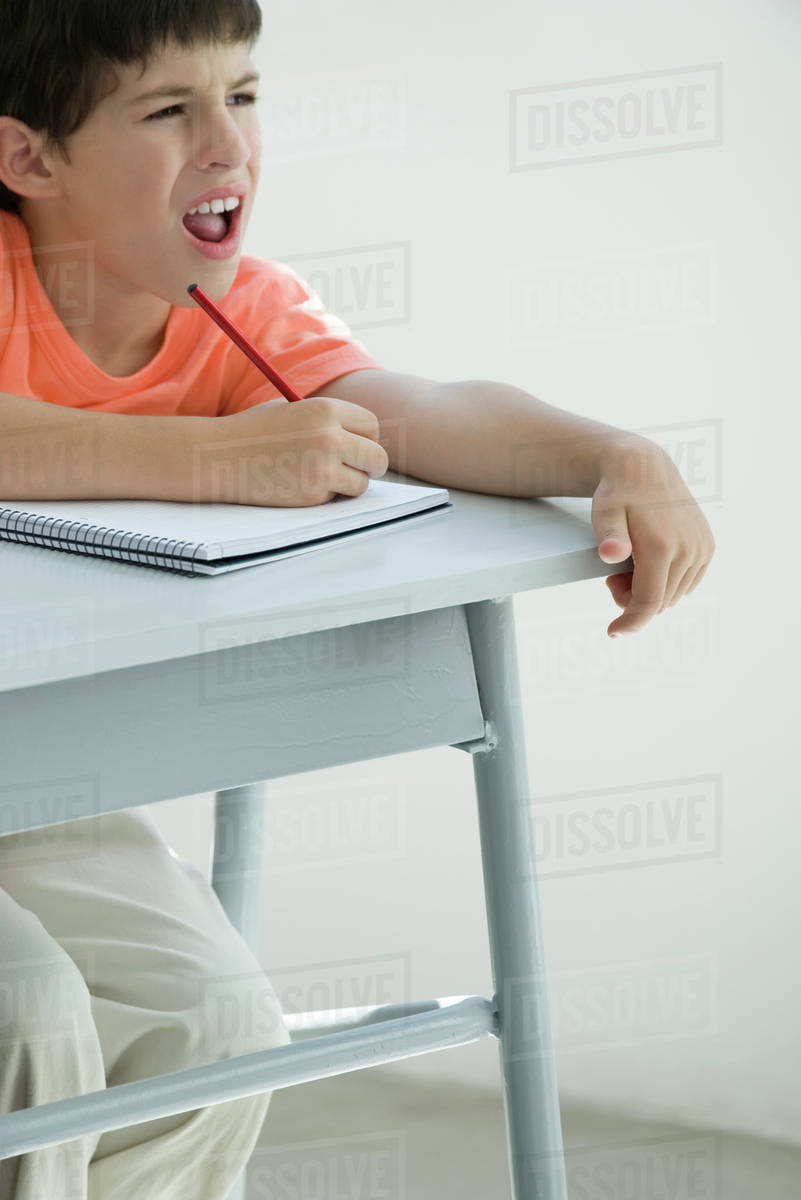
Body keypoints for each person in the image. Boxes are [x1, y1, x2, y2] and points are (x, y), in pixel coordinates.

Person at [0, 1, 716, 1197]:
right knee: (29, 1013)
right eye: (169, 110)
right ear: (28, 158)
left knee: (221, 1026)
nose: (226, 145)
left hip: (46, 783)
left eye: (244, 95)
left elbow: (420, 413)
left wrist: (617, 454)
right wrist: (207, 462)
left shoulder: (239, 311)